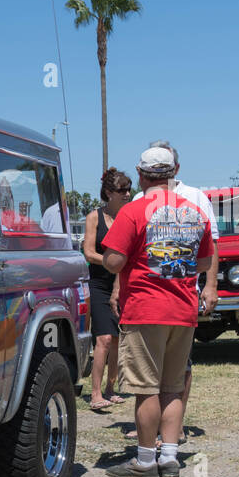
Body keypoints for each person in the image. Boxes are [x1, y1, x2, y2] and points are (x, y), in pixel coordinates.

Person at [101, 146, 214, 477]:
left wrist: (111, 258)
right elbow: (205, 262)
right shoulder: (194, 211)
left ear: (140, 175)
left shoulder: (133, 212)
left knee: (146, 389)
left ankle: (146, 460)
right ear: (173, 172)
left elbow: (114, 261)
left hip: (145, 309)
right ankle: (170, 457)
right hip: (183, 310)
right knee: (173, 387)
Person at [133, 140, 220, 443]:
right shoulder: (139, 200)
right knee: (165, 378)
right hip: (169, 302)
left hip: (162, 302)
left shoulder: (195, 197)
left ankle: (169, 433)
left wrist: (210, 285)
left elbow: (212, 246)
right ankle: (164, 441)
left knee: (171, 373)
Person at [82, 168, 133, 409]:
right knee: (101, 339)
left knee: (115, 340)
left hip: (124, 282)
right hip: (100, 284)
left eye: (129, 189)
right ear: (109, 193)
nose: (128, 194)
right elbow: (88, 252)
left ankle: (111, 389)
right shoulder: (95, 217)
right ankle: (95, 394)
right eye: (123, 190)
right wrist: (110, 262)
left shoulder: (130, 216)